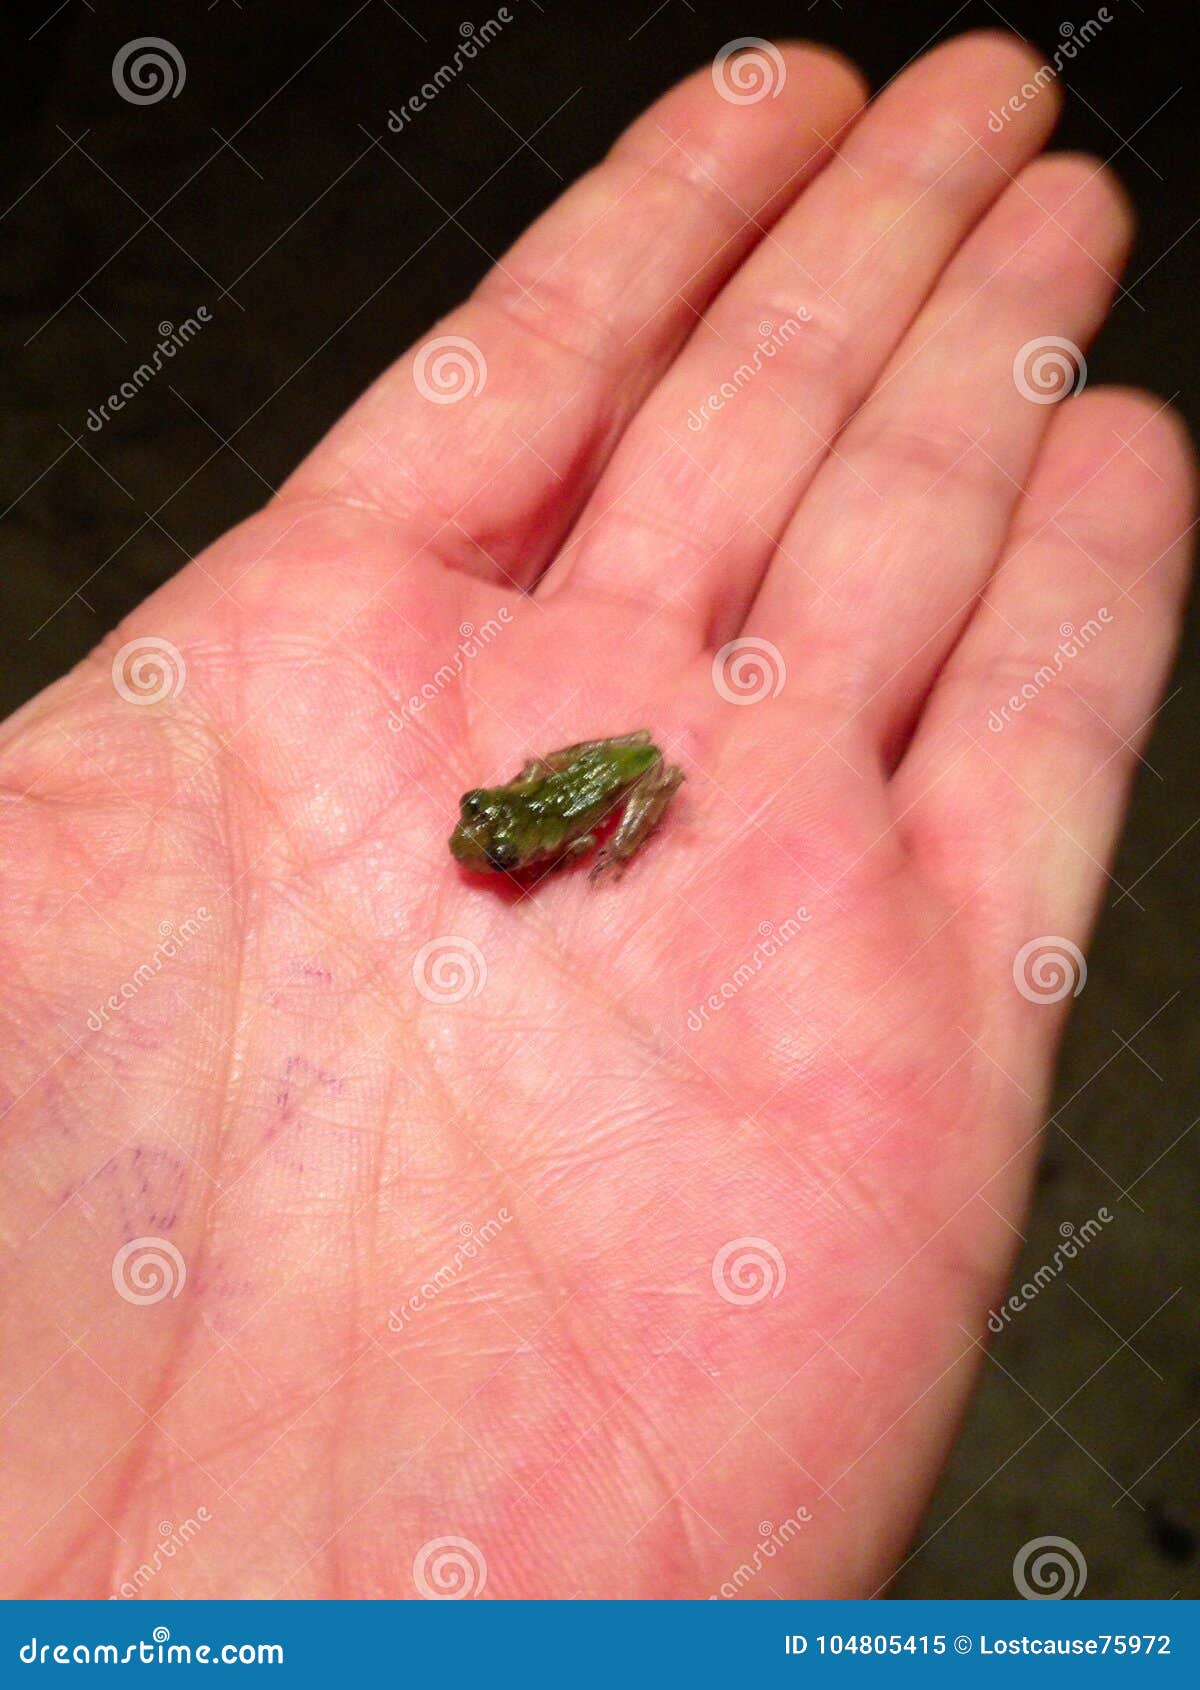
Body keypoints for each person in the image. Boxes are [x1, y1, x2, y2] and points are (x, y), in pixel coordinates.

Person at [1, 31, 1192, 1599]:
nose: (486, 848)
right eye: (491, 836)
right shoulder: (512, 816)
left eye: (493, 841)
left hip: (627, 763)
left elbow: (603, 779)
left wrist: (607, 824)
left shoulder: (564, 816)